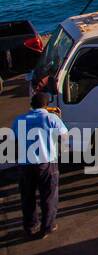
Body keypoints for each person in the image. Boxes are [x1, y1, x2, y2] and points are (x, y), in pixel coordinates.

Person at [13, 90, 67, 238]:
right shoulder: (52, 118)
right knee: (49, 197)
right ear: (46, 105)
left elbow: (14, 139)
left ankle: (30, 226)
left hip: (26, 164)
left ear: (31, 105)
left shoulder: (19, 119)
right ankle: (47, 227)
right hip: (47, 164)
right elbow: (65, 138)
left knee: (28, 197)